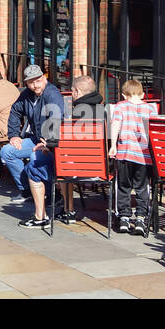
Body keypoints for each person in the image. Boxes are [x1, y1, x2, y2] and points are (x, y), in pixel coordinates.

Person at [0, 66, 63, 227]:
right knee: (7, 152)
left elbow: (56, 117)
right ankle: (28, 190)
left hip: (53, 143)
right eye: (31, 82)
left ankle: (51, 194)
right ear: (26, 84)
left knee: (36, 158)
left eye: (38, 81)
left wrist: (48, 142)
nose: (36, 85)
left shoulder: (52, 93)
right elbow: (15, 111)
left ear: (44, 78)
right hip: (35, 139)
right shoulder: (26, 95)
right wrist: (14, 135)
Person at [108, 79, 158, 233]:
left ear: (124, 95)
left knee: (123, 186)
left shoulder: (120, 106)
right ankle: (141, 219)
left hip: (124, 154)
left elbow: (115, 125)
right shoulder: (150, 108)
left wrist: (113, 145)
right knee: (143, 187)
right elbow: (155, 130)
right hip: (144, 156)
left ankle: (124, 217)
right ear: (143, 94)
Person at [59, 75, 105, 222]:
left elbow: (66, 143)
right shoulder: (103, 112)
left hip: (79, 167)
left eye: (72, 91)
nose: (72, 94)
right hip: (101, 168)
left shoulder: (77, 113)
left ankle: (68, 209)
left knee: (60, 163)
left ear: (77, 91)